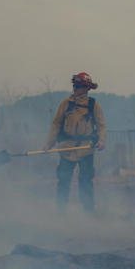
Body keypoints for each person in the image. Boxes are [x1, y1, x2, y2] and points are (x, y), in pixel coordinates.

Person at [44, 72, 106, 212]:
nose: (75, 88)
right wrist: (49, 143)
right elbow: (56, 124)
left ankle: (88, 212)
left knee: (85, 181)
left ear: (86, 88)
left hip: (86, 148)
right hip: (66, 148)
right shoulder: (66, 103)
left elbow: (101, 125)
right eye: (74, 85)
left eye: (78, 86)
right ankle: (61, 211)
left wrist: (102, 140)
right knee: (63, 180)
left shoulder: (93, 105)